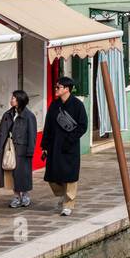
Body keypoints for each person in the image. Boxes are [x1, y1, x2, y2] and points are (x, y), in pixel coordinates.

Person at [41, 75, 89, 216]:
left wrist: (70, 139)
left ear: (67, 89)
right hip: (54, 146)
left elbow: (83, 126)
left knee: (70, 176)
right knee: (52, 177)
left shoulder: (77, 105)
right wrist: (44, 144)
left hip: (70, 146)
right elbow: (48, 125)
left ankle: (68, 204)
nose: (55, 89)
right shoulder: (54, 105)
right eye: (55, 87)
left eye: (58, 87)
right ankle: (63, 195)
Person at [0, 90, 37, 209]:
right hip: (9, 147)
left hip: (22, 148)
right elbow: (1, 131)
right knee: (10, 172)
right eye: (12, 97)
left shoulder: (29, 116)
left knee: (23, 174)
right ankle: (16, 196)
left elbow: (32, 134)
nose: (11, 100)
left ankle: (25, 195)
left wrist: (30, 150)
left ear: (19, 101)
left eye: (13, 98)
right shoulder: (7, 114)